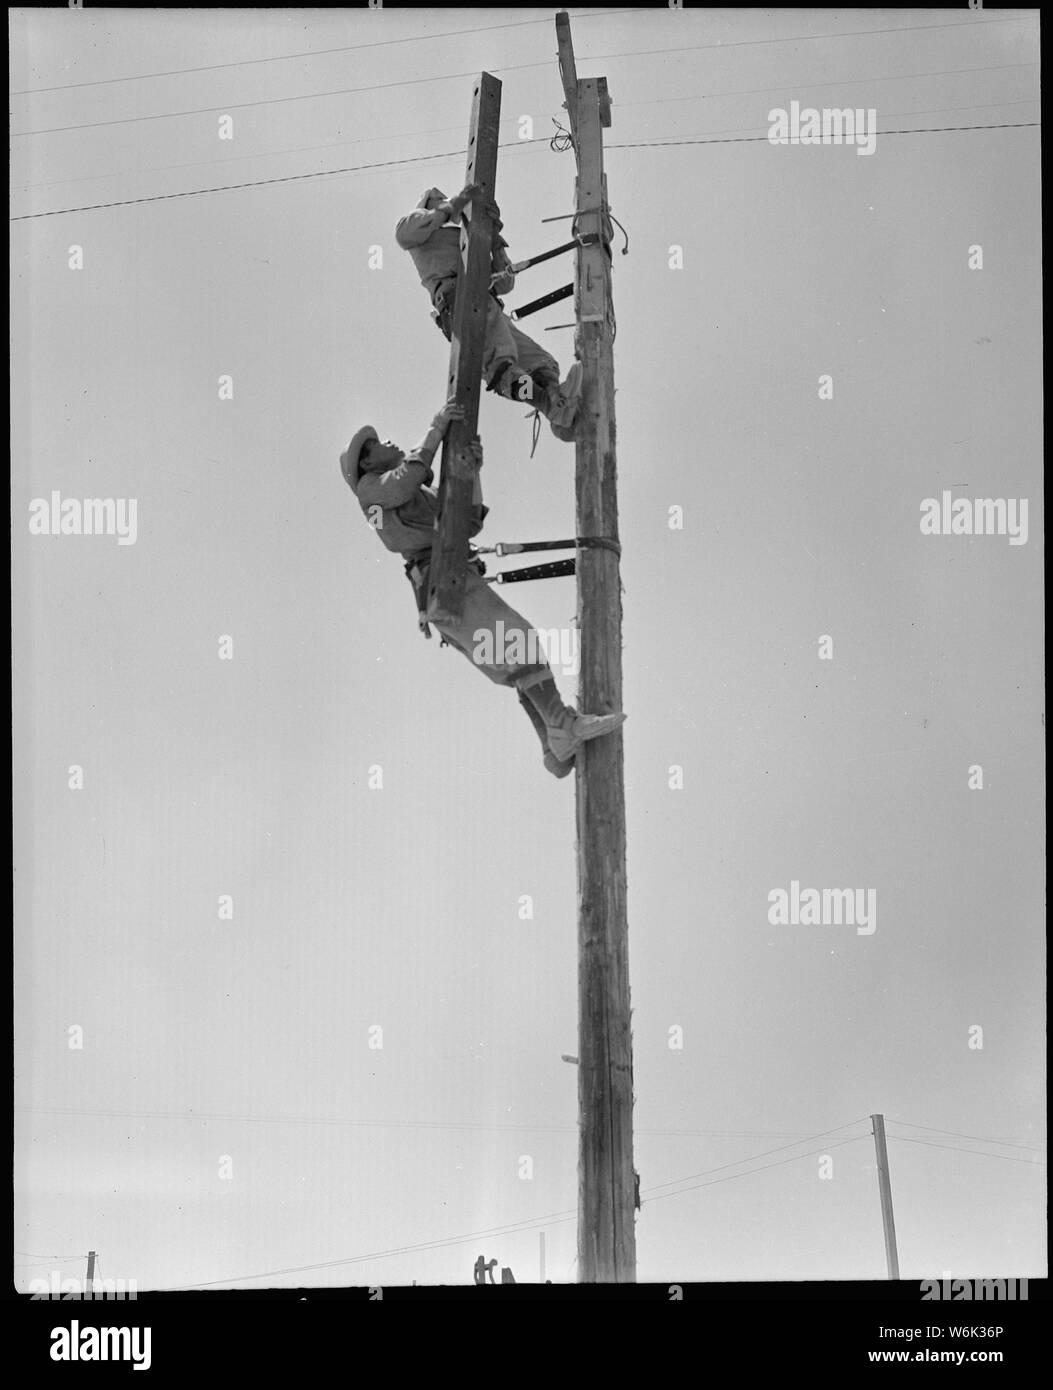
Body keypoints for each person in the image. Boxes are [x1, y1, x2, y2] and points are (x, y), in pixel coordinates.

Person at [339, 399, 625, 777]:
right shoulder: (372, 491)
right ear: (365, 465)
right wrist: (437, 428)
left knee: (512, 656)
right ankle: (561, 726)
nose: (385, 441)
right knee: (518, 642)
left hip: (452, 577)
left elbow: (467, 521)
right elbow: (409, 477)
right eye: (374, 445)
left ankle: (552, 746)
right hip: (444, 580)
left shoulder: (408, 496)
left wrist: (472, 471)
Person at [395, 186, 583, 442]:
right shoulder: (416, 231)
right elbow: (406, 233)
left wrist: (493, 235)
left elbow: (504, 284)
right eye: (438, 201)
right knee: (501, 364)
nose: (445, 203)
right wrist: (453, 205)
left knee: (541, 363)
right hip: (459, 300)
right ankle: (547, 405)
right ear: (427, 205)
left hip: (488, 304)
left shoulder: (468, 233)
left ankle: (554, 398)